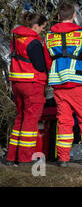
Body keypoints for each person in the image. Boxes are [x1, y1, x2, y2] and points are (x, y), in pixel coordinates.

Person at [43, 2, 82, 167]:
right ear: (74, 15)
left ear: (59, 17)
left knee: (64, 122)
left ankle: (63, 158)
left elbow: (48, 62)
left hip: (59, 85)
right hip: (79, 84)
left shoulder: (49, 36)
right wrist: (80, 69)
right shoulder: (81, 35)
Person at [5, 12, 48, 166]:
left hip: (17, 83)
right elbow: (40, 65)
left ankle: (11, 157)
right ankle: (24, 158)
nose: (42, 31)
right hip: (32, 84)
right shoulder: (34, 42)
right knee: (30, 121)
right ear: (35, 26)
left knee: (20, 119)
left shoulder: (16, 38)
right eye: (42, 28)